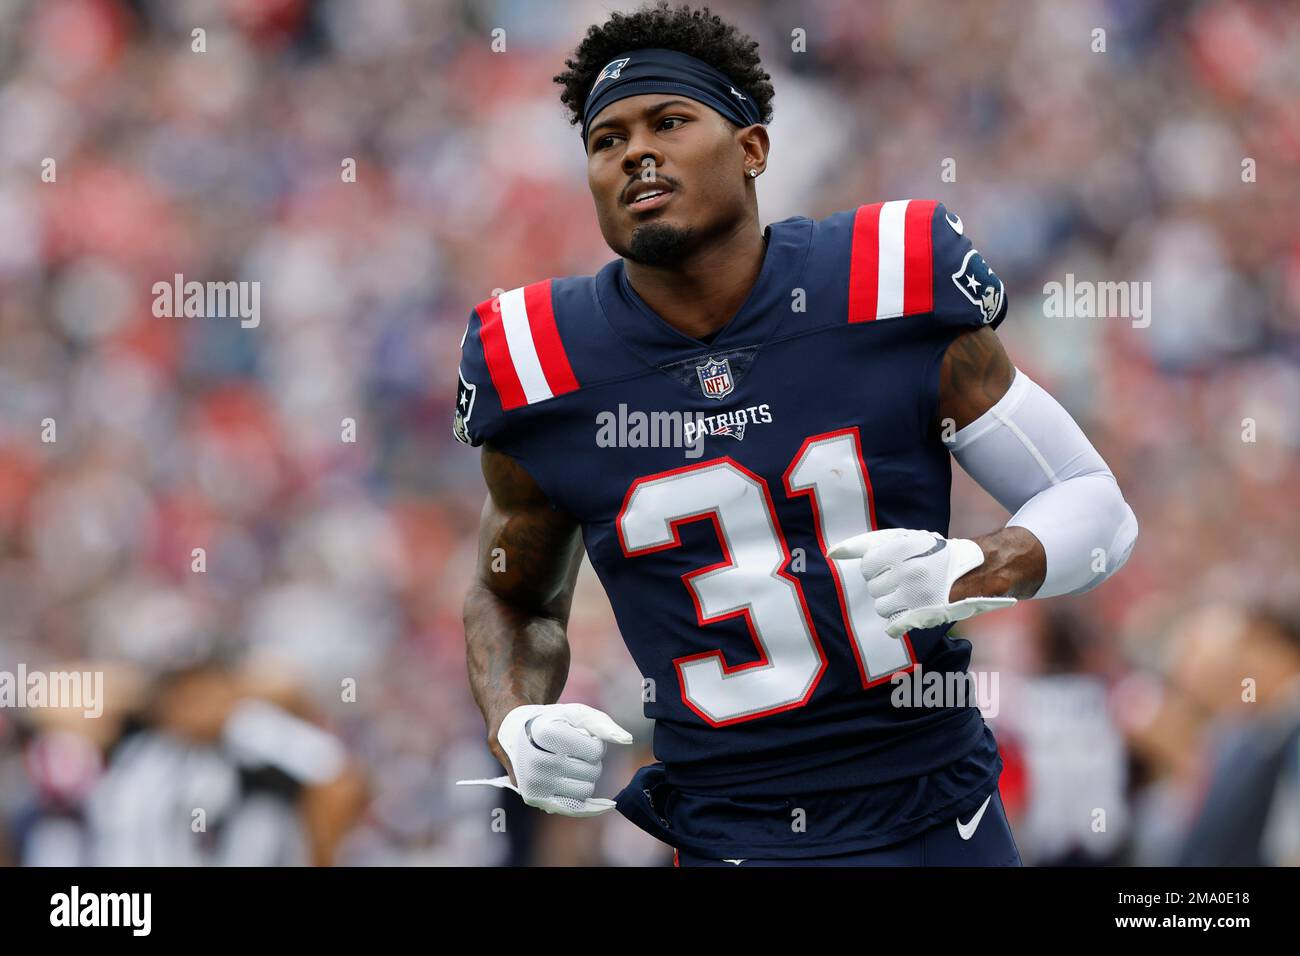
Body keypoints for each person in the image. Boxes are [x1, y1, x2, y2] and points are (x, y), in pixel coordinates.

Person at [455, 1, 1137, 866]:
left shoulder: (885, 280)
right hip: (727, 834)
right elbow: (511, 594)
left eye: (669, 120)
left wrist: (978, 564)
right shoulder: (541, 361)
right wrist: (514, 719)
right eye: (606, 139)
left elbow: (1095, 504)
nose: (634, 152)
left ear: (752, 148)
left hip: (936, 815)